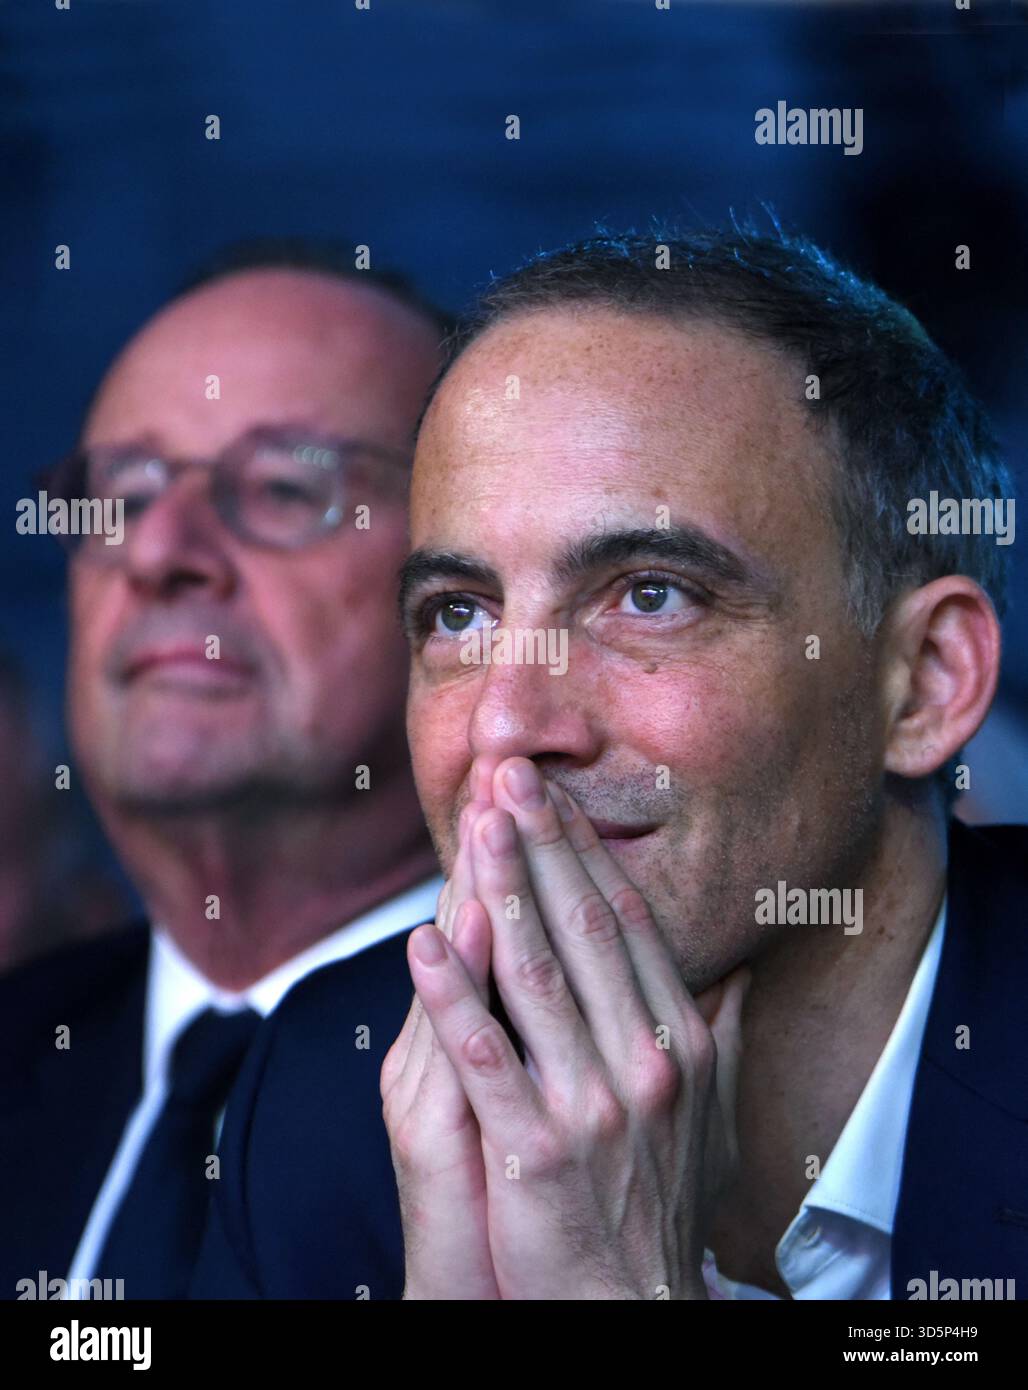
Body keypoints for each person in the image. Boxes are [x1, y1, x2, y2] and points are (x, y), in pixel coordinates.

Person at [194, 227, 1026, 1301]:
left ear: (920, 682)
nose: (505, 722)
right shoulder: (329, 1099)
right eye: (458, 614)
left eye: (649, 595)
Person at [1, 242, 446, 1300]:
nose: (161, 550)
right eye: (120, 492)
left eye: (285, 485)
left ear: (461, 588)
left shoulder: (632, 1102)